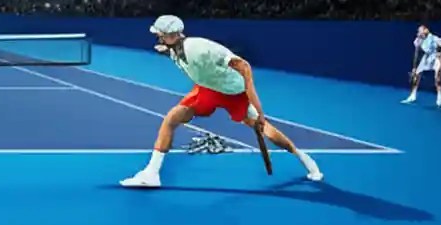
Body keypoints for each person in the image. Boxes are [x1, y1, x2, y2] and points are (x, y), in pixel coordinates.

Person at [120, 15, 323, 188]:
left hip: (232, 92)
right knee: (172, 118)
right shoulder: (174, 49)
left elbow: (244, 67)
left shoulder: (199, 48)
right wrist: (167, 51)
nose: (158, 36)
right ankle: (152, 174)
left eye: (161, 34)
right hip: (207, 88)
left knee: (264, 128)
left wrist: (258, 108)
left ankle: (305, 159)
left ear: (173, 36)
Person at [403, 24, 441, 109]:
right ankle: (412, 96)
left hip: (436, 58)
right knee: (416, 75)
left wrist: (440, 53)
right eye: (418, 31)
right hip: (426, 57)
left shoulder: (435, 38)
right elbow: (416, 54)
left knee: (437, 80)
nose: (419, 33)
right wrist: (414, 67)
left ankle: (440, 100)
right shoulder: (418, 41)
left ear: (426, 30)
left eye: (420, 31)